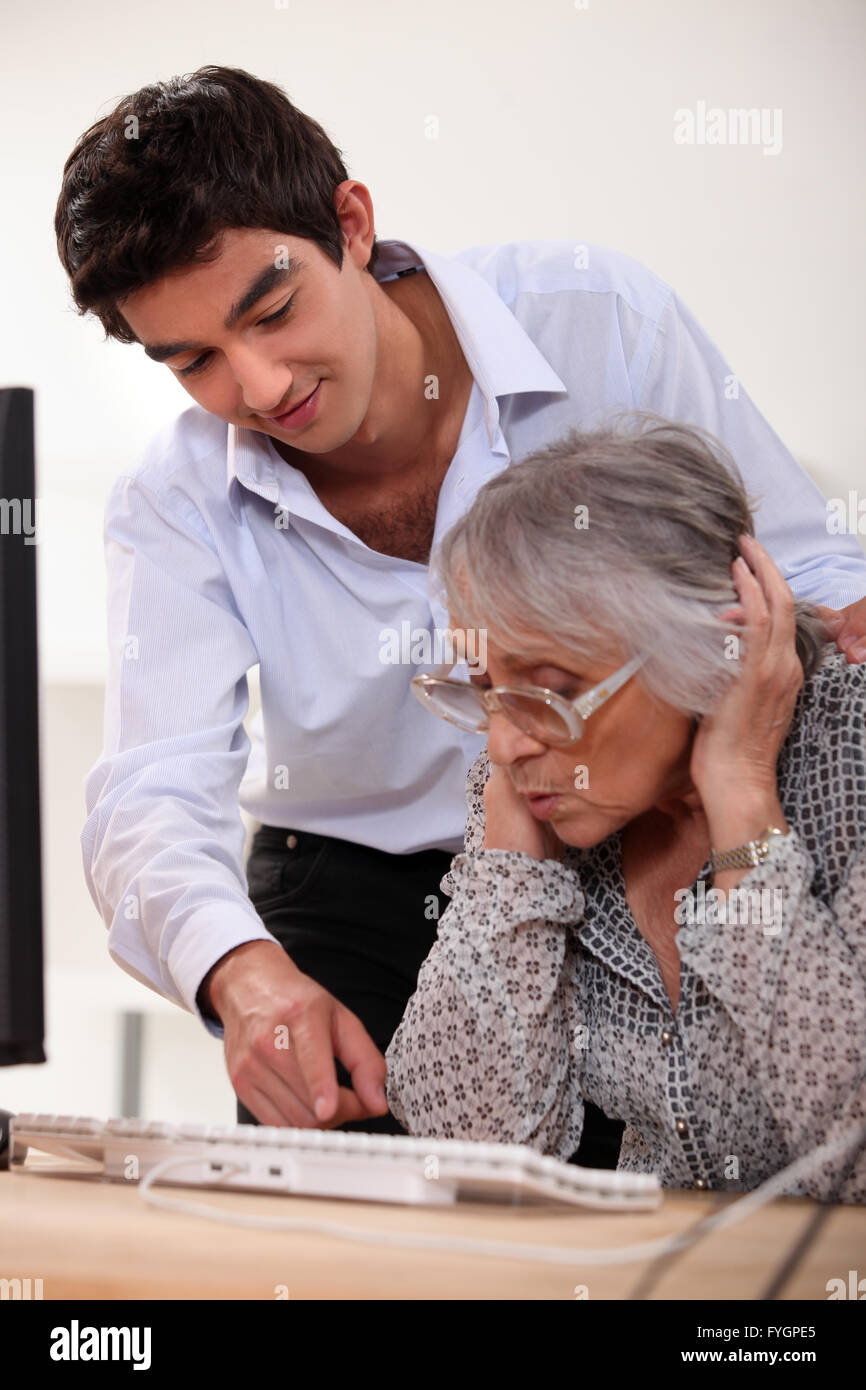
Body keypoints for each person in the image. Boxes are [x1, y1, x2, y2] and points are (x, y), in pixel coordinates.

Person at [56, 65, 866, 1156]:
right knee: (348, 1231)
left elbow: (806, 576)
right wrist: (240, 979)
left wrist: (758, 798)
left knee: (629, 1195)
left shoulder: (600, 320)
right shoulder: (175, 498)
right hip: (347, 881)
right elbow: (151, 790)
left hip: (620, 854)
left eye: (273, 309)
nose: (257, 387)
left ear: (351, 222)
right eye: (194, 359)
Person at [385, 414, 866, 1201]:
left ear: (715, 649)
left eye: (549, 689)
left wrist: (743, 796)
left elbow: (854, 1166)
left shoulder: (851, 754)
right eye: (484, 687)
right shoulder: (539, 787)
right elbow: (466, 1150)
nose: (502, 744)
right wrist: (509, 851)